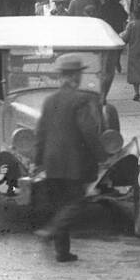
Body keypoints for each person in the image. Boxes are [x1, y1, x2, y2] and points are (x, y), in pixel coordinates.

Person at [33, 53, 104, 263]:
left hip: (52, 162)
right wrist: (102, 156)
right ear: (75, 77)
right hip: (74, 163)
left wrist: (37, 162)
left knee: (59, 204)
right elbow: (89, 132)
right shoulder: (81, 100)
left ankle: (62, 253)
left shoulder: (49, 100)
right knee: (76, 202)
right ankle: (51, 230)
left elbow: (41, 133)